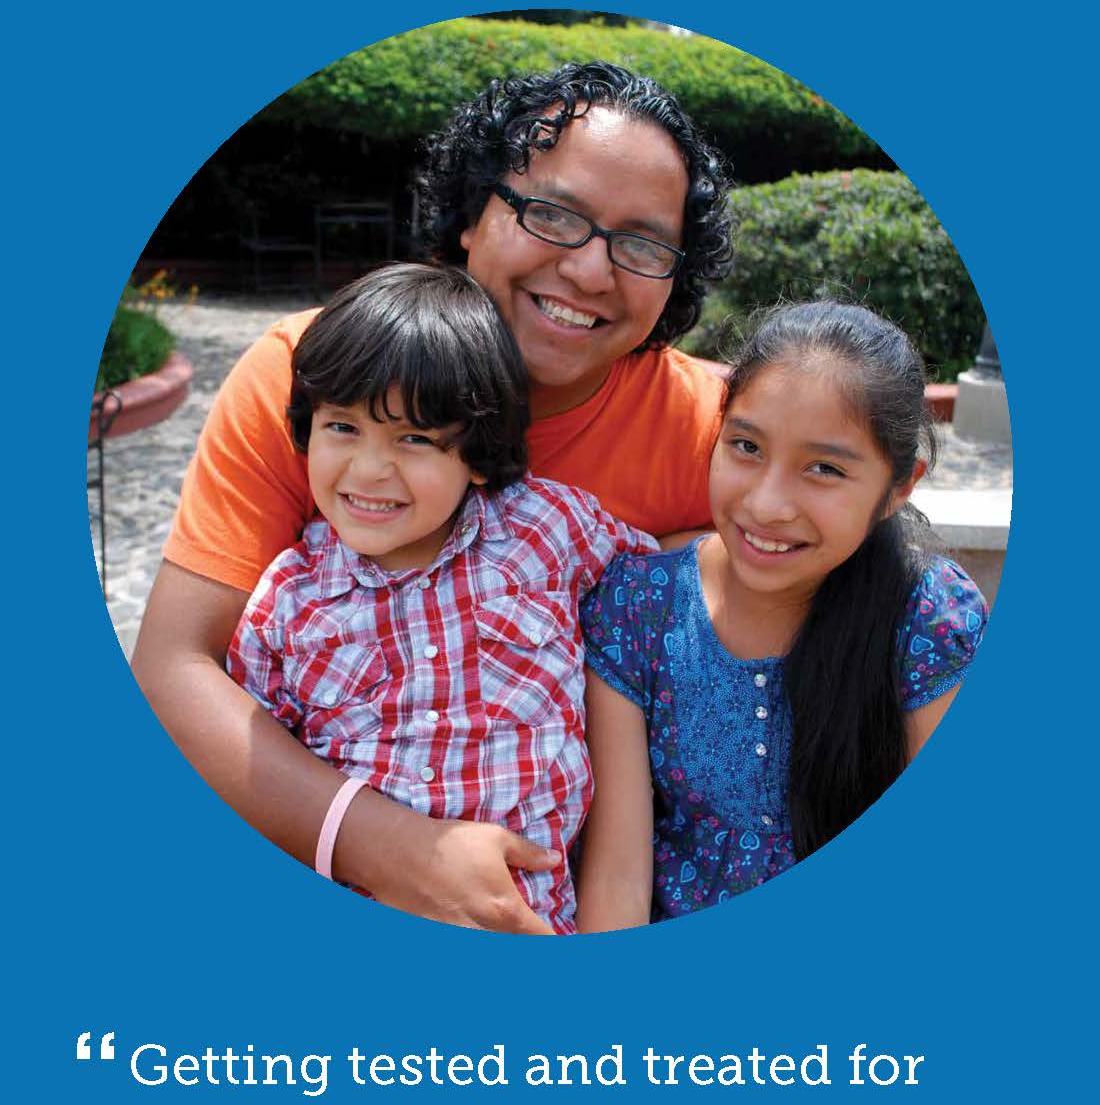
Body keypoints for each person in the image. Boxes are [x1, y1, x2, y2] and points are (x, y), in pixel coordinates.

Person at [132, 60, 733, 931]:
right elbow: (175, 669)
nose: (592, 271)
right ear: (470, 216)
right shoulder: (319, 378)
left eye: (642, 243)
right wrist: (396, 851)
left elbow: (853, 530)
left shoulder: (721, 432)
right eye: (554, 214)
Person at [226, 263, 654, 933]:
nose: (369, 469)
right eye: (343, 428)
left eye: (415, 439)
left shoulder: (548, 530)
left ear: (479, 457)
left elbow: (667, 579)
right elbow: (249, 789)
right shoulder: (288, 600)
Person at [575, 301, 988, 929]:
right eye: (745, 446)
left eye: (824, 469)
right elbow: (616, 877)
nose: (767, 505)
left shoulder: (925, 617)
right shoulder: (638, 607)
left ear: (899, 488)